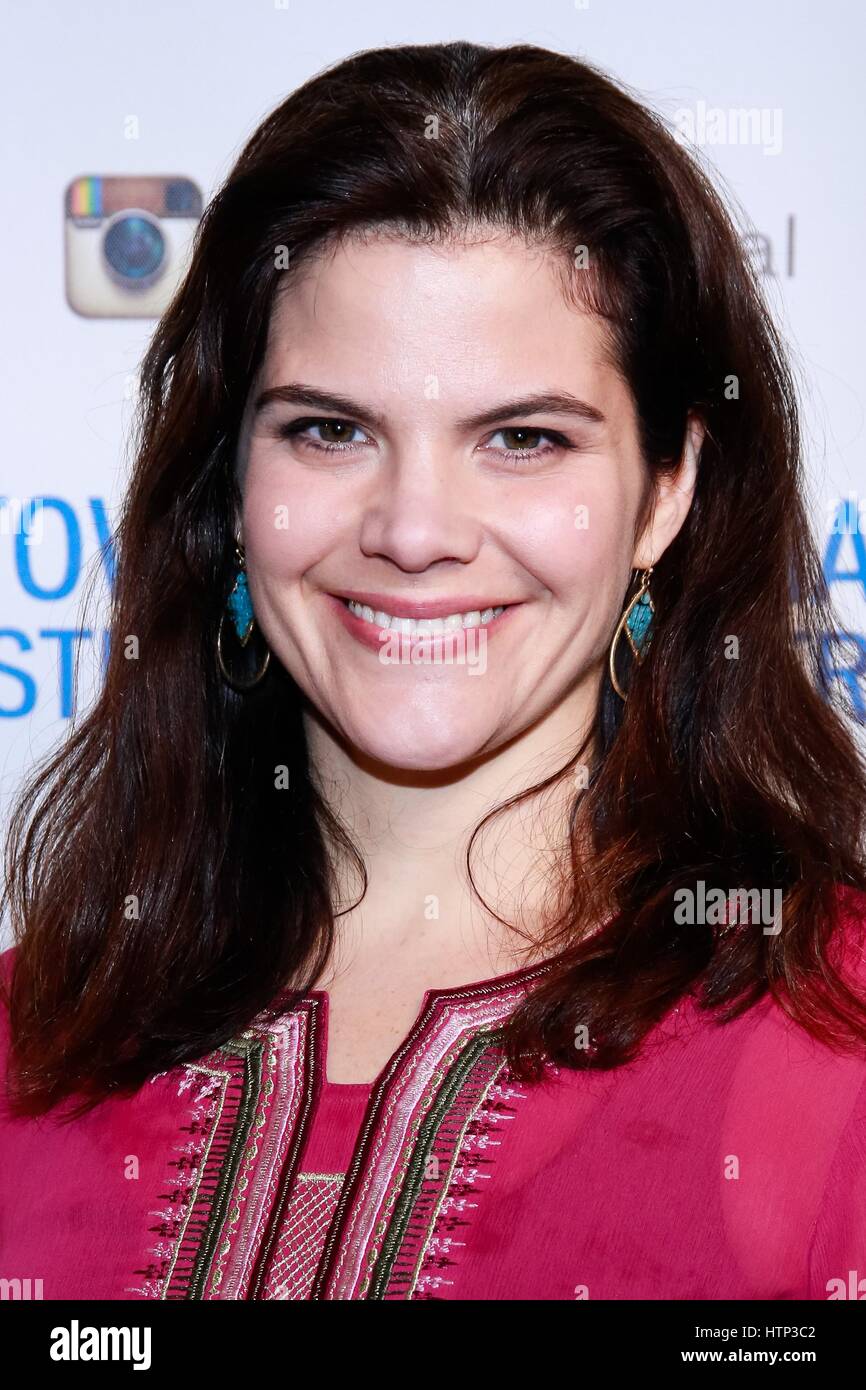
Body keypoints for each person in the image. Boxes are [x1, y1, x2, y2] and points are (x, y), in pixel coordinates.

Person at [2, 39, 865, 1302]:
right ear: (230, 482)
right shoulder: (34, 1036)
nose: (413, 530)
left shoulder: (833, 1038)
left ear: (664, 489)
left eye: (521, 438)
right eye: (328, 429)